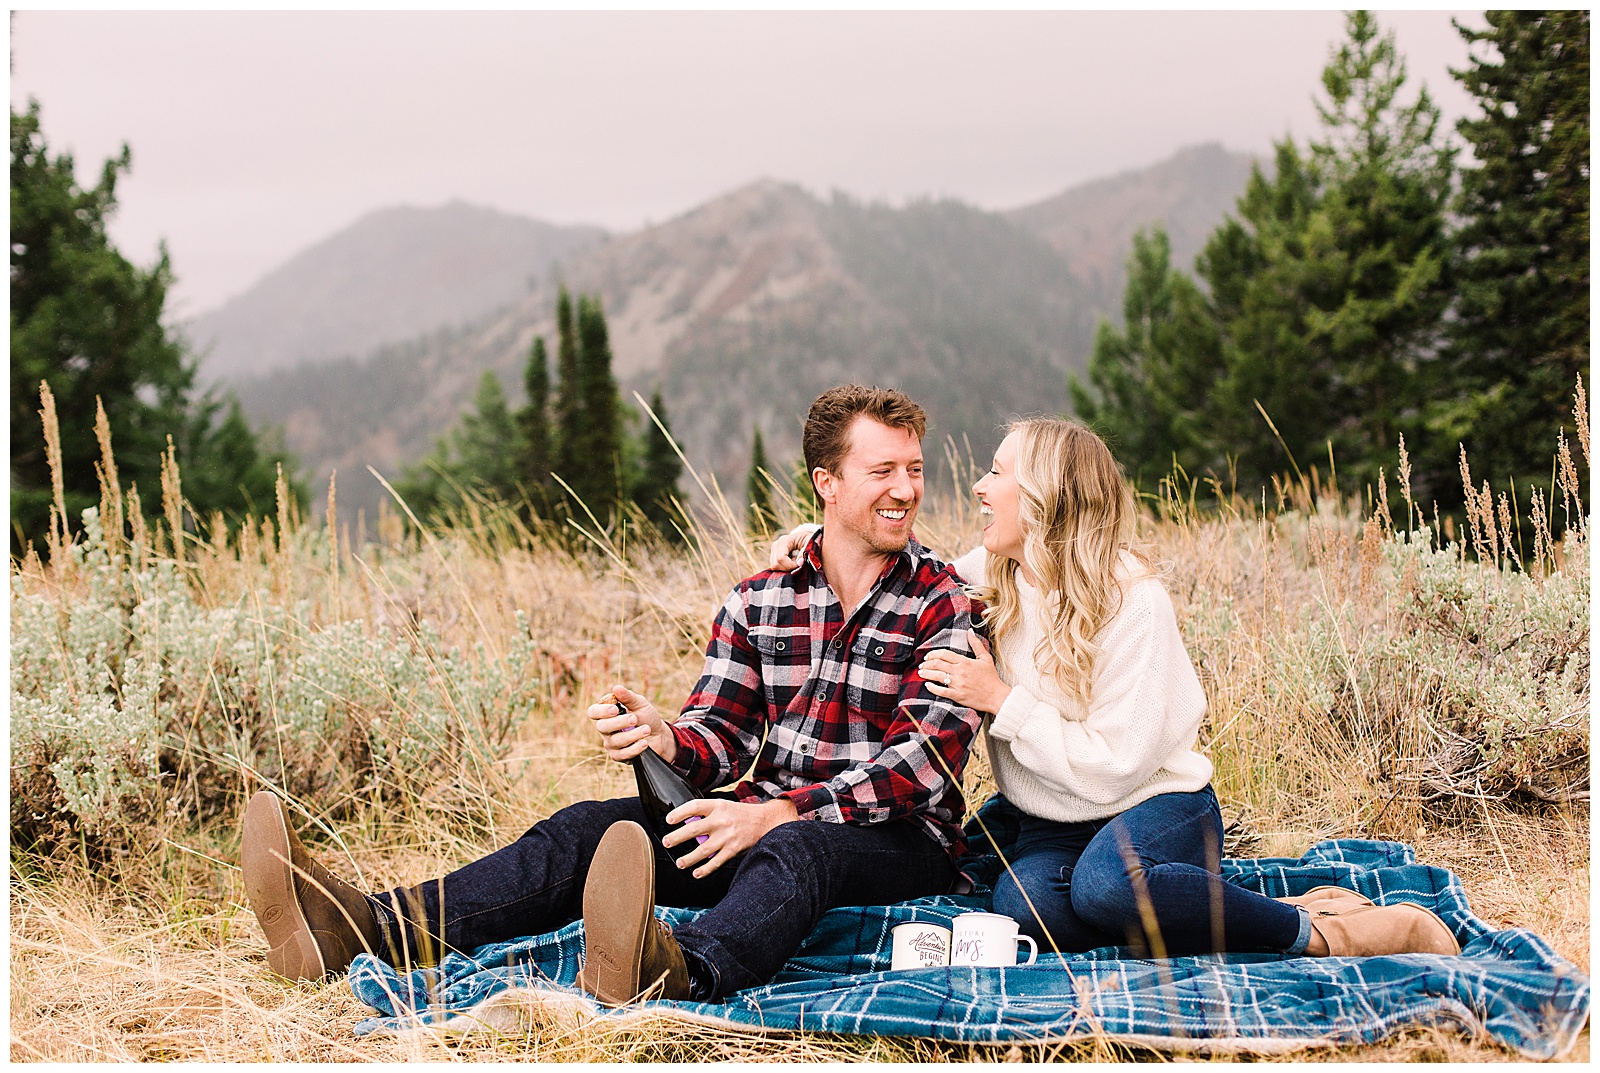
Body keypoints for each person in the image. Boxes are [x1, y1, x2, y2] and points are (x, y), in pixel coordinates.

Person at [240, 384, 984, 1005]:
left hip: (898, 842)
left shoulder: (944, 603)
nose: (906, 489)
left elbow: (920, 770)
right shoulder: (759, 599)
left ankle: (677, 970)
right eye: (883, 470)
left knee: (797, 846)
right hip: (759, 821)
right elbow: (721, 736)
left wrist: (777, 813)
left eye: (914, 469)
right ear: (827, 482)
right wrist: (667, 740)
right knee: (586, 829)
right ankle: (364, 926)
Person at [770, 417, 1459, 960]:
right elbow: (911, 576)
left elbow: (1116, 766)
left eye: (998, 473)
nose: (979, 486)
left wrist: (1002, 700)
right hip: (1050, 822)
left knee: (1107, 886)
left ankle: (1325, 931)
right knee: (1025, 912)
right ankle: (1198, 908)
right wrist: (821, 536)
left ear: (1044, 498)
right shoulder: (994, 572)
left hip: (1156, 801)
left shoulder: (1133, 600)